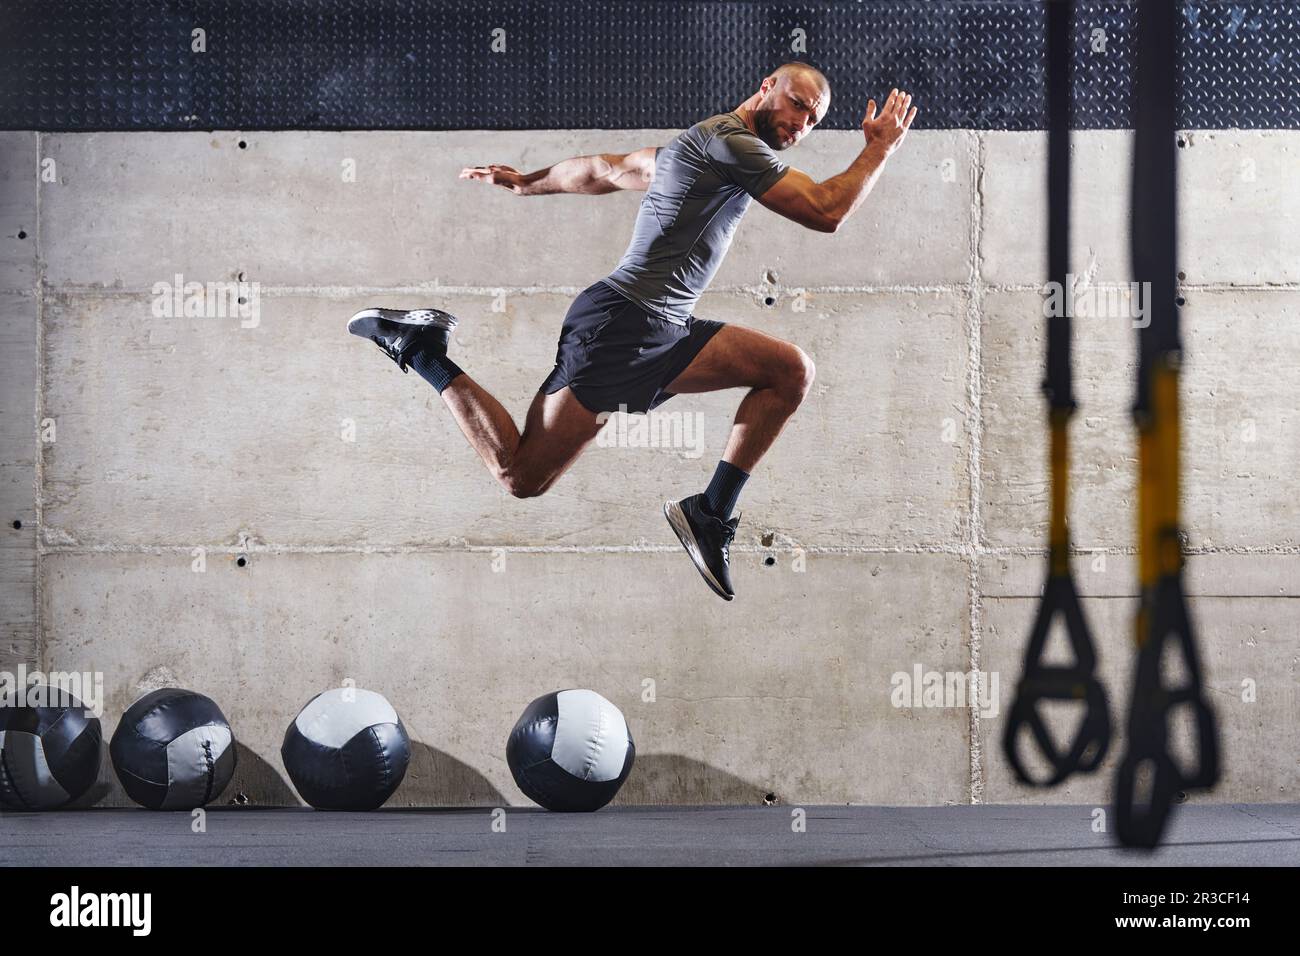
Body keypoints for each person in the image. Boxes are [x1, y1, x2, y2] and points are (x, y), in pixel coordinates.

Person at [349, 63, 916, 600]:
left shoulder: (700, 146)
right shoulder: (731, 142)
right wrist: (879, 148)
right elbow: (825, 210)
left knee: (789, 371)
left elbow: (607, 169)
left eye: (814, 120)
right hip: (620, 326)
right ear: (766, 86)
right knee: (521, 476)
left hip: (661, 328)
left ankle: (709, 514)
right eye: (797, 104)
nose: (800, 124)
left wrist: (529, 182)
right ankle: (419, 349)